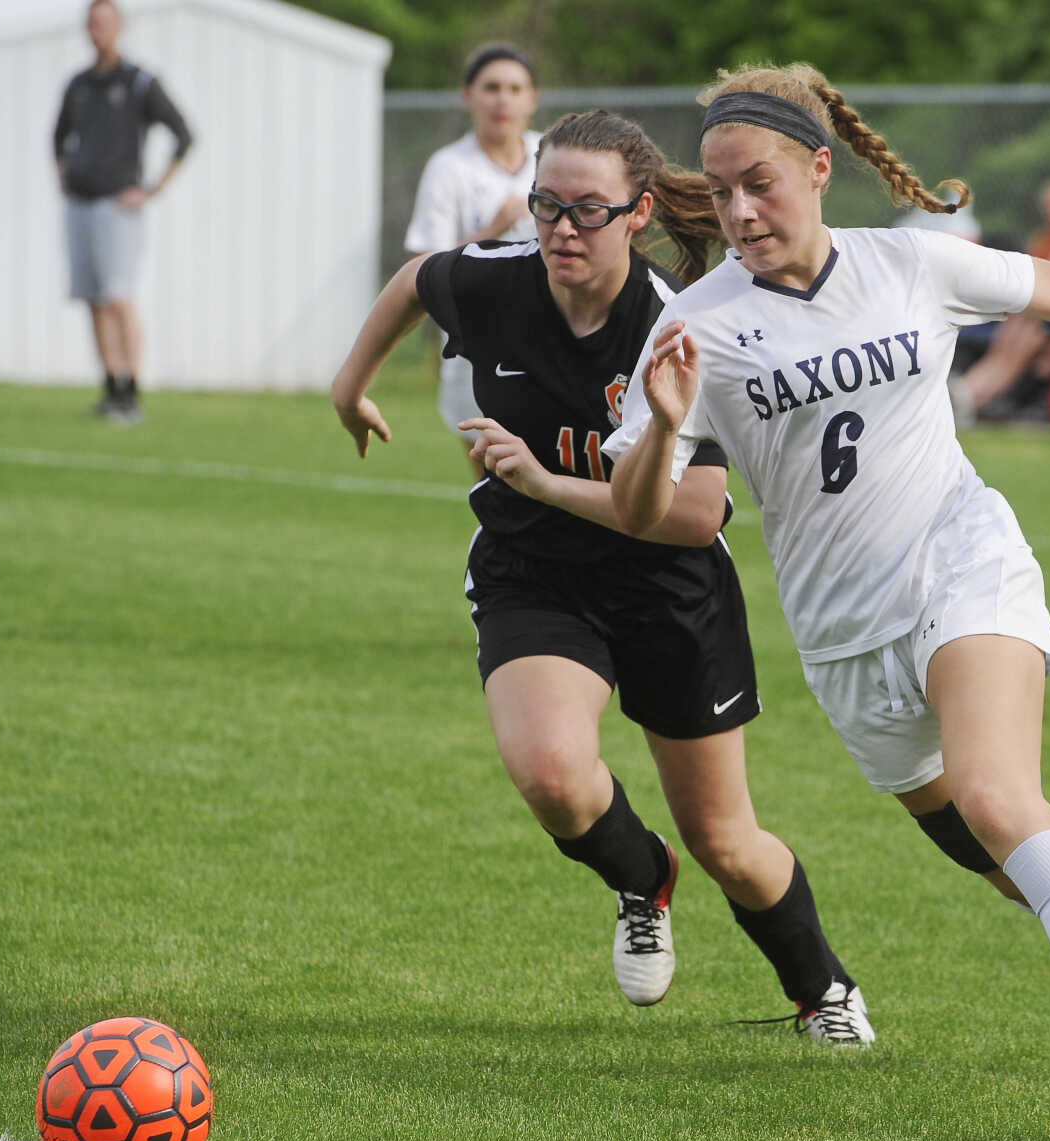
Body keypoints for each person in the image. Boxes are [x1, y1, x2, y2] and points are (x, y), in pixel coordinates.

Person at [606, 62, 1050, 1120]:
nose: (742, 210)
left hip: (958, 558)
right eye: (721, 191)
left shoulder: (909, 265)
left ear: (817, 166)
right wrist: (662, 421)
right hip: (842, 638)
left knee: (996, 793)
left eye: (761, 182)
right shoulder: (692, 327)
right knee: (987, 856)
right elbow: (634, 506)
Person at [332, 109, 870, 1042]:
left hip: (667, 585)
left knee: (729, 846)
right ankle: (639, 877)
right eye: (547, 205)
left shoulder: (677, 325)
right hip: (534, 569)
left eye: (588, 210)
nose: (561, 229)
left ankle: (822, 987)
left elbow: (697, 513)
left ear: (639, 213)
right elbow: (417, 280)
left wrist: (544, 479)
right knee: (552, 775)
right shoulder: (498, 283)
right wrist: (350, 384)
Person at [53, 0, 193, 423]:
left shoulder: (139, 82)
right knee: (94, 299)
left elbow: (184, 135)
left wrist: (151, 190)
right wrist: (64, 175)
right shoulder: (77, 84)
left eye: (105, 24)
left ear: (120, 28)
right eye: (92, 24)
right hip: (80, 203)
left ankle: (131, 390)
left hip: (117, 207)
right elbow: (58, 138)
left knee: (118, 298)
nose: (99, 31)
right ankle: (110, 385)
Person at [403, 45, 542, 467]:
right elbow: (426, 269)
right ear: (468, 95)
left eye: (515, 88)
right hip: (479, 349)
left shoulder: (552, 153)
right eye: (492, 87)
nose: (503, 99)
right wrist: (492, 231)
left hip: (552, 339)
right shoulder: (449, 167)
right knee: (496, 482)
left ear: (532, 98)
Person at [949, 177, 1050, 423]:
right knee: (1010, 336)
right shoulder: (1044, 240)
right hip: (1043, 313)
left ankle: (971, 396)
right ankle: (971, 393)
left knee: (1023, 340)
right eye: (1049, 205)